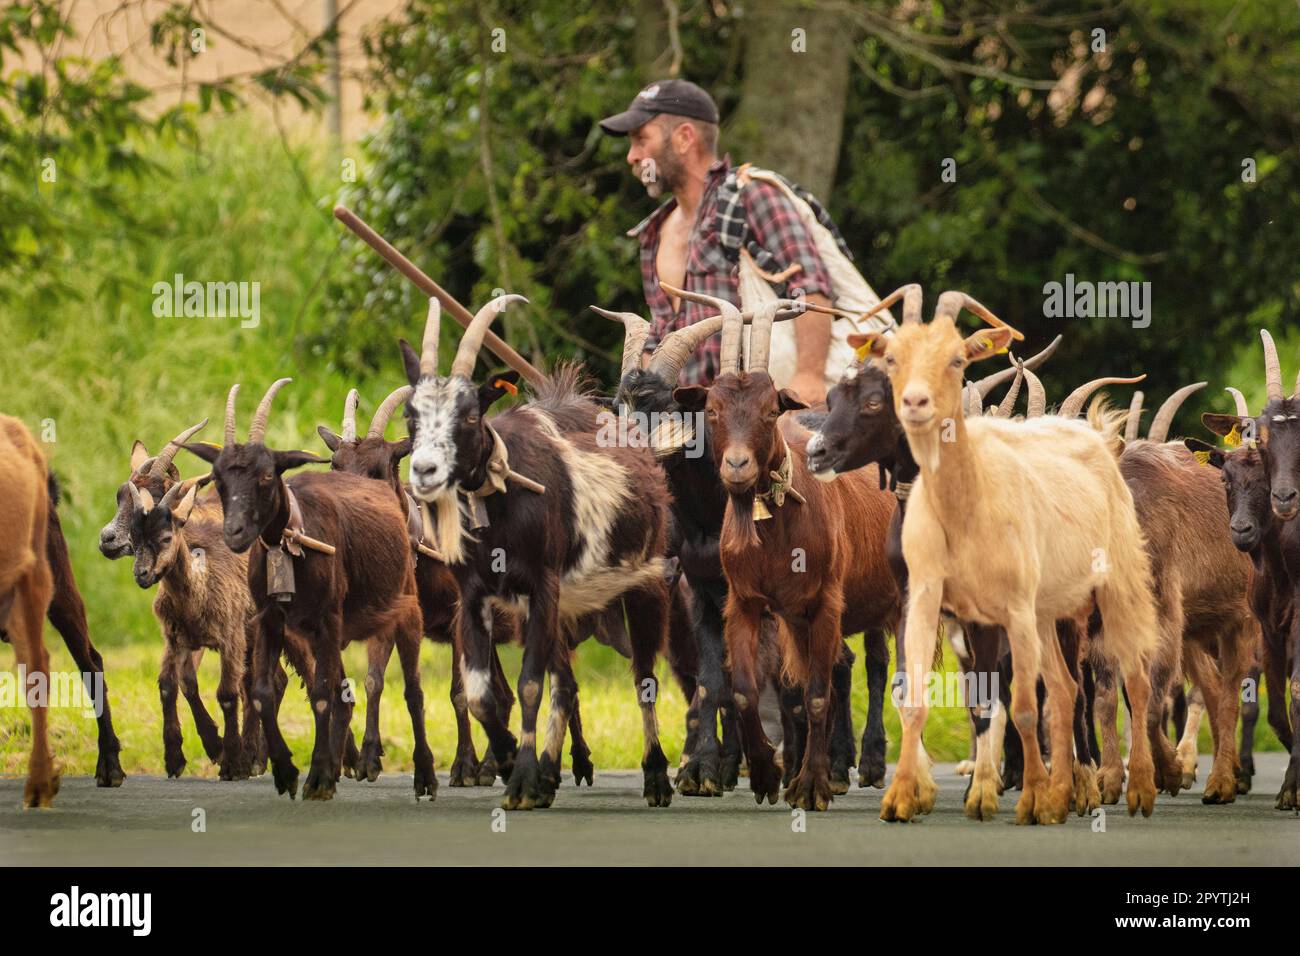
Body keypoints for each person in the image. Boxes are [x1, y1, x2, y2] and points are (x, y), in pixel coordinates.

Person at [599, 79, 840, 402]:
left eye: (641, 140)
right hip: (693, 428)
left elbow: (810, 291)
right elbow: (658, 339)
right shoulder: (653, 233)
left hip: (753, 423)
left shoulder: (751, 196)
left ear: (685, 137)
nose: (632, 156)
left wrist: (808, 379)